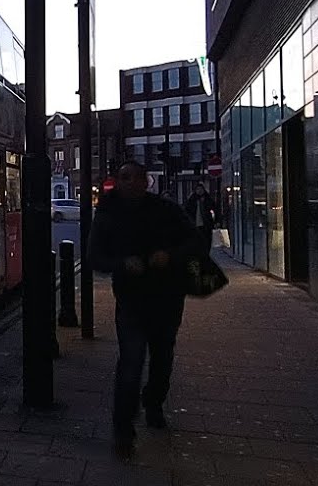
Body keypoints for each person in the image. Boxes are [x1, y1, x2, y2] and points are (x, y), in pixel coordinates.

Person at [89, 161, 201, 456]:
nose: (131, 183)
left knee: (163, 357)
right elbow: (94, 257)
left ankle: (153, 403)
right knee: (131, 361)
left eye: (137, 178)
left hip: (167, 297)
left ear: (146, 181)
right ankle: (123, 431)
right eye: (125, 178)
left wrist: (170, 255)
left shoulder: (166, 210)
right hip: (131, 300)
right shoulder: (107, 215)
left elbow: (195, 240)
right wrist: (122, 264)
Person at [184, 183, 218, 254]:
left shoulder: (207, 199)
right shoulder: (192, 200)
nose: (199, 191)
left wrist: (216, 221)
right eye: (198, 189)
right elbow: (187, 210)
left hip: (206, 224)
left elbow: (215, 209)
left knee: (206, 240)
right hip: (195, 224)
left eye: (201, 189)